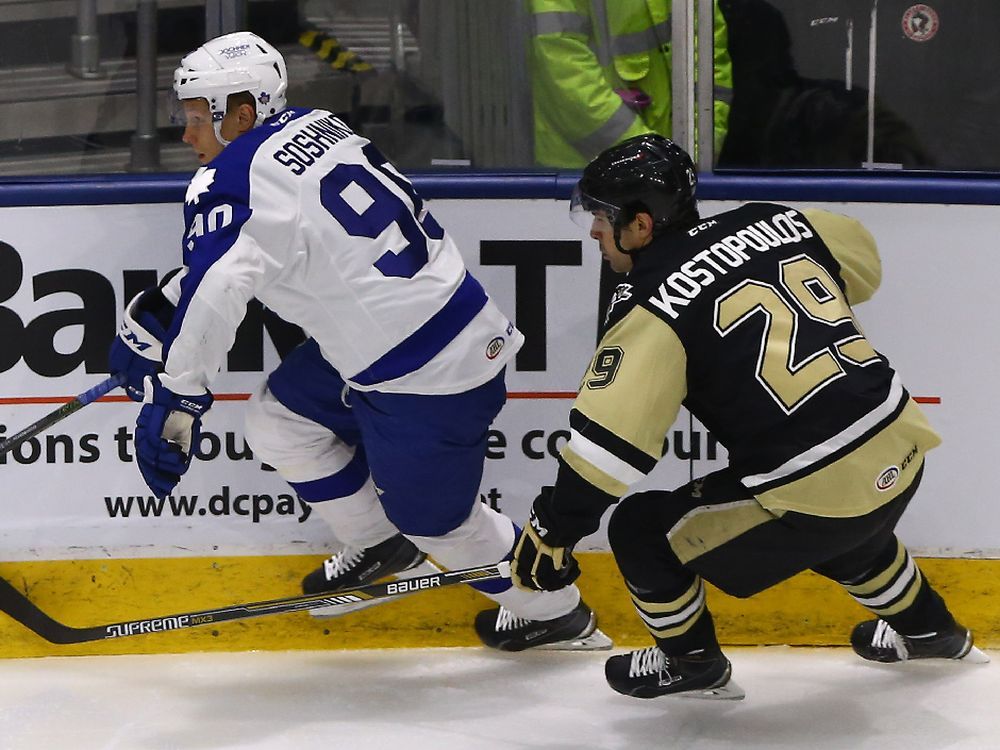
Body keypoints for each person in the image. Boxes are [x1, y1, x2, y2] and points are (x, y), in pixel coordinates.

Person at [107, 30, 611, 652]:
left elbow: (222, 284)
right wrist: (159, 313)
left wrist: (179, 396)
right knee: (279, 419)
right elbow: (250, 254)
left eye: (193, 118)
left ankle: (556, 613)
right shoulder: (317, 127)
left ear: (240, 113)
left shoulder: (229, 180)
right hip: (420, 337)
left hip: (426, 378)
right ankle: (379, 542)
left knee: (442, 527)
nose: (186, 136)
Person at [508, 133, 988, 700]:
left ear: (640, 225)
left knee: (640, 529)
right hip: (902, 447)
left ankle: (691, 663)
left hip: (820, 488)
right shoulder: (777, 219)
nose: (594, 231)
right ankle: (931, 630)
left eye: (601, 217)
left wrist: (554, 528)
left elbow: (607, 449)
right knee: (845, 528)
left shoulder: (651, 299)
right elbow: (864, 268)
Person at [529, 0, 733, 168]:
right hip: (583, 171)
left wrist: (700, 147)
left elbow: (708, 50)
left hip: (672, 167)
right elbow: (563, 67)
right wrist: (645, 153)